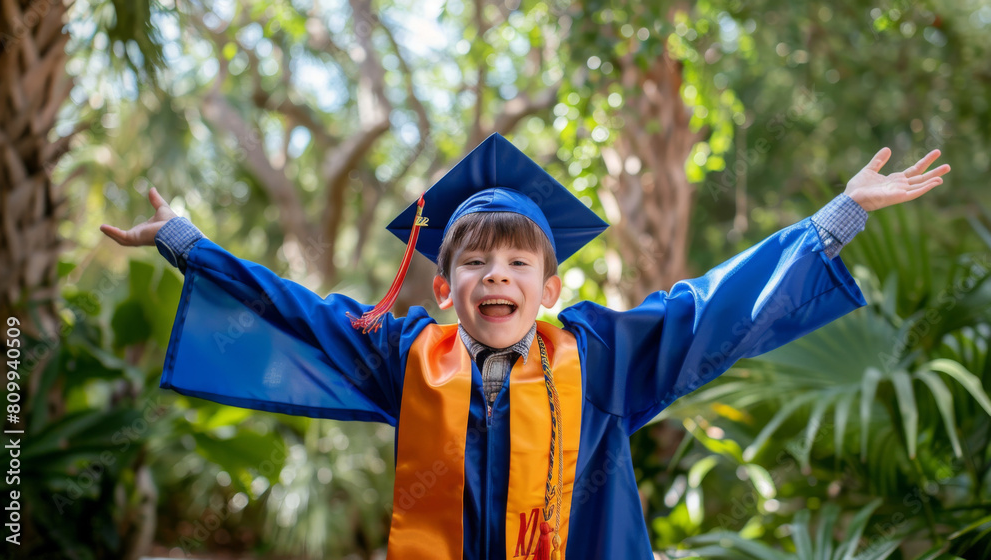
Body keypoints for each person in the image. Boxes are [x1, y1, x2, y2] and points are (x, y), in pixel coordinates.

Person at [100, 133, 949, 559]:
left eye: (517, 262)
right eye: (474, 260)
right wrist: (187, 243)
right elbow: (297, 311)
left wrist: (837, 218)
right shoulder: (406, 358)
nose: (495, 276)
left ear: (551, 290)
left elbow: (710, 308)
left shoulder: (600, 355)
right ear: (445, 287)